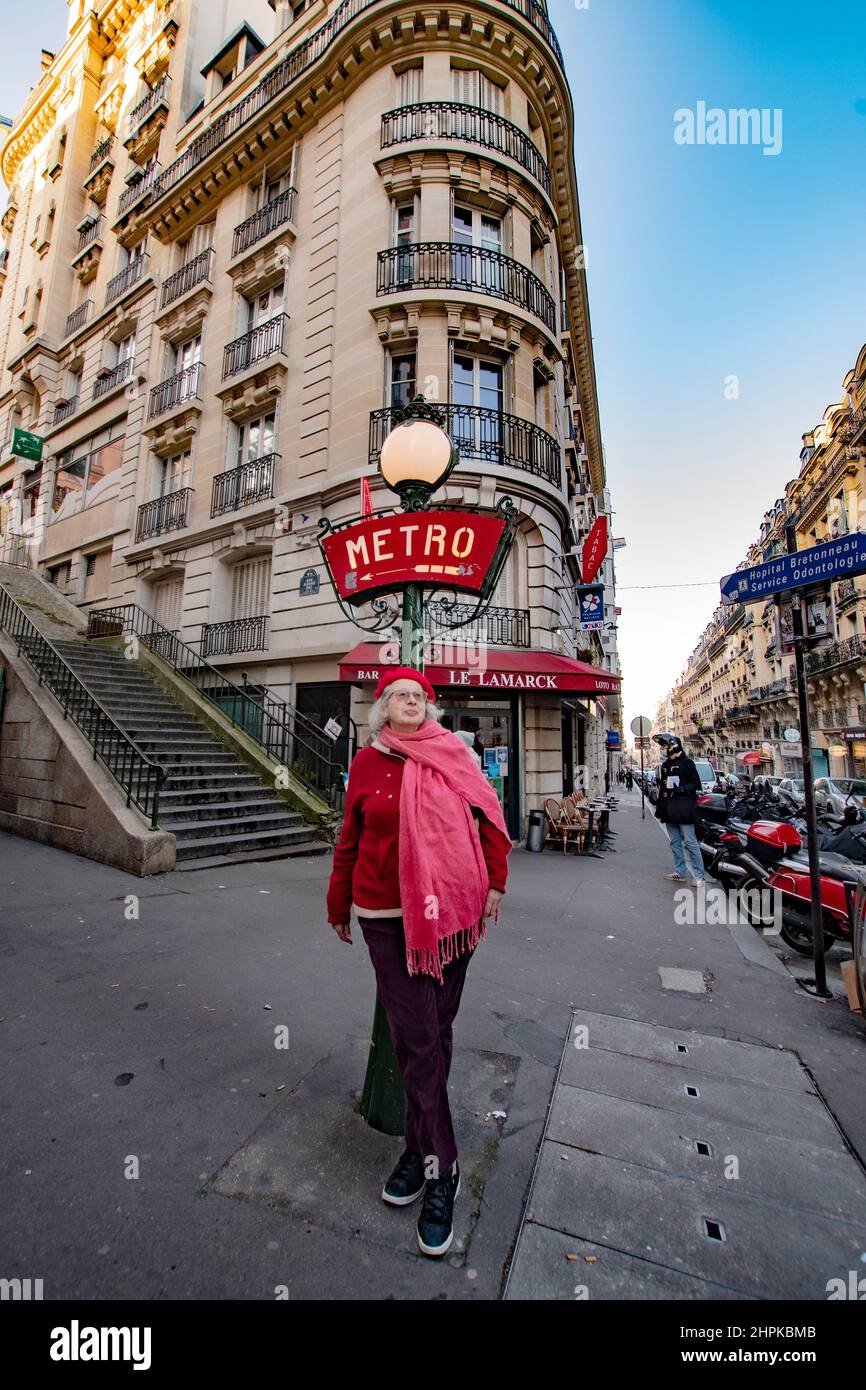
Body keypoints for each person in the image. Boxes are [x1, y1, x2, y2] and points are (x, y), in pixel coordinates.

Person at [326, 667, 511, 1258]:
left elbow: (487, 817)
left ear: (429, 707)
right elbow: (350, 837)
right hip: (385, 914)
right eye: (399, 695)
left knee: (434, 1036)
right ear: (383, 708)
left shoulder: (452, 753)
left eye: (420, 695)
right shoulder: (367, 763)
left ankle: (416, 1146)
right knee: (419, 1040)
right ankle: (442, 1169)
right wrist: (337, 903)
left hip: (454, 914)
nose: (411, 701)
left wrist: (497, 885)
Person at [652, 732, 706, 886]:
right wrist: (659, 808)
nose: (662, 749)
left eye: (664, 746)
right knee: (674, 842)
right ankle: (680, 871)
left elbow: (696, 784)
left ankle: (699, 876)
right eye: (662, 746)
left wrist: (682, 789)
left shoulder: (687, 763)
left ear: (672, 745)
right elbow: (662, 788)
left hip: (684, 809)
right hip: (669, 809)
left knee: (690, 842)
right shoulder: (665, 765)